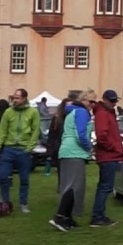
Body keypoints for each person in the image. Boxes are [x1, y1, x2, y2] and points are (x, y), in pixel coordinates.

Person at [50, 91, 95, 231]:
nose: (93, 105)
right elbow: (80, 134)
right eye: (91, 101)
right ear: (83, 101)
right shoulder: (81, 112)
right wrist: (89, 147)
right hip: (74, 151)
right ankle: (60, 216)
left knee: (71, 185)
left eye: (94, 102)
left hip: (67, 151)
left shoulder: (72, 112)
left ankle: (67, 218)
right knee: (74, 186)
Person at [0, 88, 41, 215]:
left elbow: (35, 131)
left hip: (23, 150)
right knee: (3, 176)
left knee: (24, 179)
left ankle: (23, 203)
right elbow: (2, 131)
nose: (15, 100)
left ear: (25, 98)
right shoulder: (8, 112)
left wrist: (29, 148)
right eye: (14, 97)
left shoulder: (33, 112)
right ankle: (5, 200)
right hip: (8, 149)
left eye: (17, 98)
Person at [90, 89, 123, 228]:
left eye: (115, 100)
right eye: (112, 100)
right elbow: (102, 137)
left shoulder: (105, 113)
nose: (114, 103)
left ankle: (99, 215)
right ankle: (97, 216)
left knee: (105, 187)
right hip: (108, 156)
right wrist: (115, 147)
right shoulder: (103, 114)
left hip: (109, 155)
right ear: (105, 100)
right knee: (105, 187)